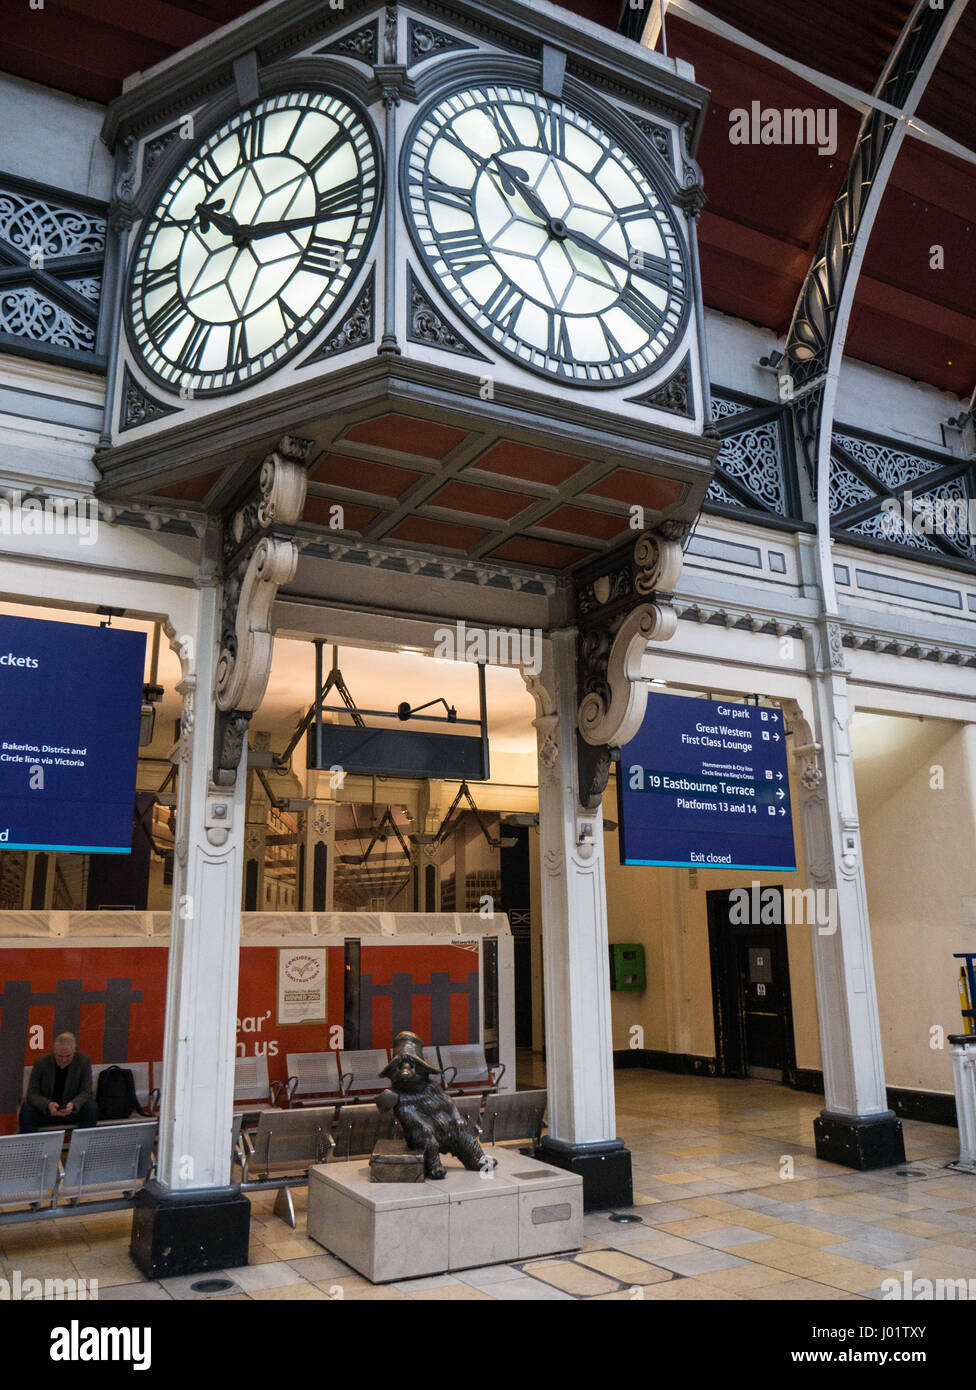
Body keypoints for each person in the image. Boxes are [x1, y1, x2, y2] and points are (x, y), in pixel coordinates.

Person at [18, 1033, 98, 1133]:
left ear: (74, 1051)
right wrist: (48, 1105)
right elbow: (32, 1093)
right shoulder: (41, 1062)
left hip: (72, 1111)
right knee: (27, 1110)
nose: (64, 1060)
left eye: (68, 1056)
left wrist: (73, 1104)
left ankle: (82, 1146)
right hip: (46, 1111)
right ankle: (31, 1147)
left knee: (91, 1108)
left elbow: (86, 1091)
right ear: (54, 1052)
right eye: (60, 1056)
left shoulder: (83, 1061)